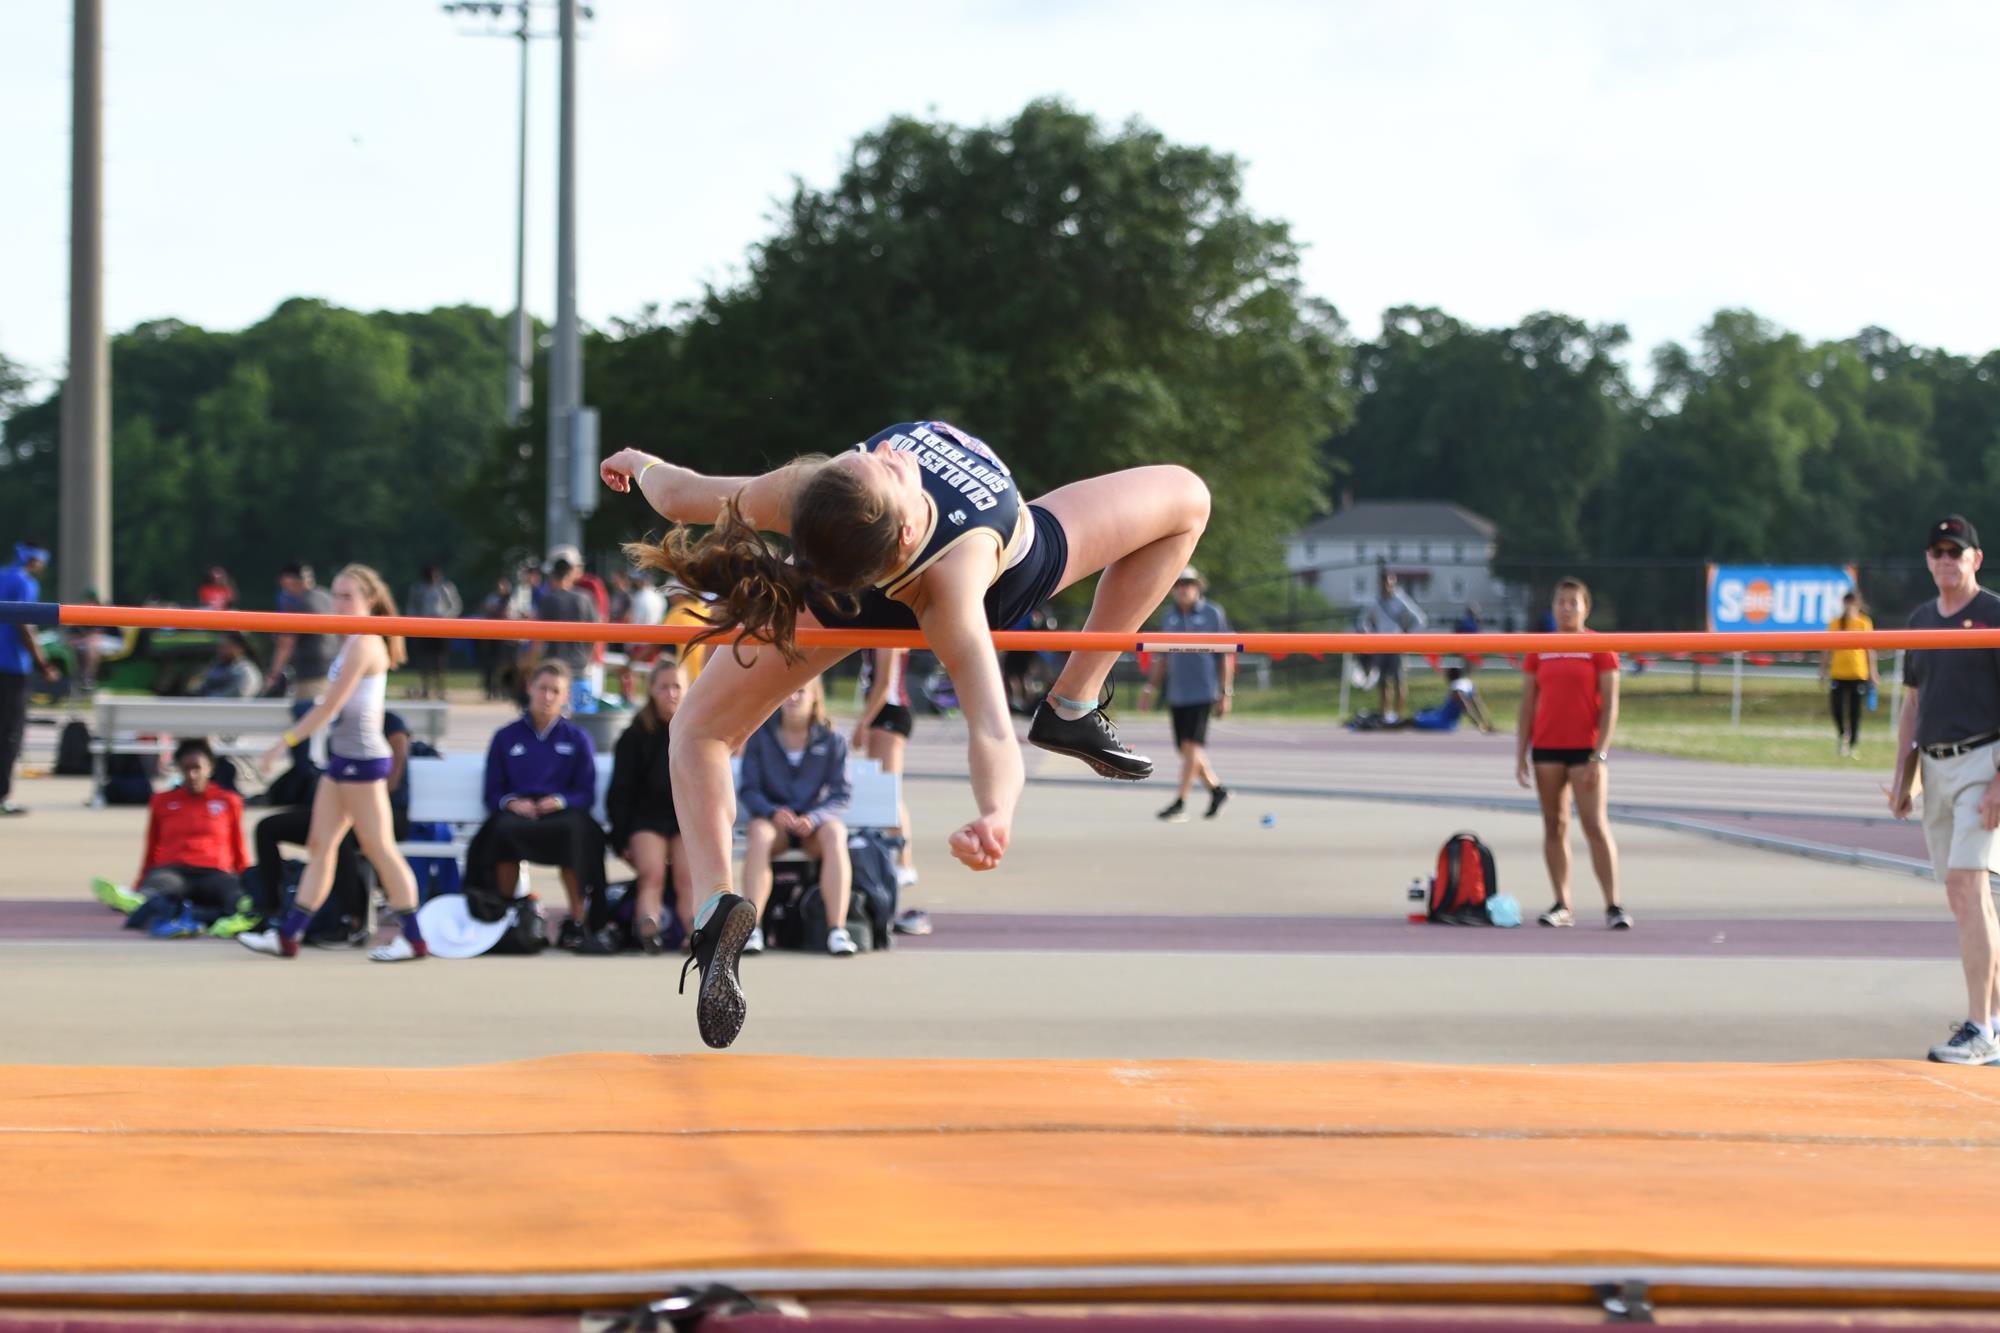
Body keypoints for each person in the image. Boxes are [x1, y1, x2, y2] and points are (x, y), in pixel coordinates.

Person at [602, 417, 1208, 1047]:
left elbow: (680, 494)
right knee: (1187, 497)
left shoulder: (813, 489)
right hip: (982, 570)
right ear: (912, 525)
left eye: (874, 457)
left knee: (697, 730)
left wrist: (636, 460)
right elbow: (993, 730)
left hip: (840, 584)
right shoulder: (952, 588)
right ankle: (1073, 703)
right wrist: (996, 813)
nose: (888, 450)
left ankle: (712, 905)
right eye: (887, 466)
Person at [238, 565, 428, 962]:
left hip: (363, 761)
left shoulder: (364, 643)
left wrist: (282, 745)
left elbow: (330, 706)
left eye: (348, 597)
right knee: (320, 846)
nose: (338, 604)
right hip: (343, 761)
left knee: (379, 848)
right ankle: (288, 936)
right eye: (336, 595)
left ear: (369, 601)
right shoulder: (350, 639)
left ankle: (413, 937)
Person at [1886, 515, 2000, 1066]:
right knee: (1965, 897)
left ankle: (1979, 1025)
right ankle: (1995, 1022)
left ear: (1975, 559)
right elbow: (1913, 703)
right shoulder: (1922, 619)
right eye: (1936, 552)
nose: (1945, 560)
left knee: (1967, 885)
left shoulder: (1994, 615)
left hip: (1985, 758)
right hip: (1935, 766)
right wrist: (1902, 776)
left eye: (1955, 552)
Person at [465, 658, 608, 951]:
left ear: (566, 696)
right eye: (542, 688)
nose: (548, 696)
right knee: (501, 830)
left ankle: (578, 921)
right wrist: (511, 802)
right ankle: (505, 916)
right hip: (520, 813)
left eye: (555, 691)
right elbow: (492, 792)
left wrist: (559, 801)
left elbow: (585, 792)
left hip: (559, 814)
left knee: (576, 832)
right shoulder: (506, 737)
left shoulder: (577, 738)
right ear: (530, 688)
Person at [1514, 577, 1629, 931]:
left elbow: (1610, 705)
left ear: (1585, 609)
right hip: (1547, 747)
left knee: (1594, 825)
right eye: (1560, 602)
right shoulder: (1540, 647)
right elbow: (1528, 702)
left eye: (1572, 602)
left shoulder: (1600, 646)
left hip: (1585, 750)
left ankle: (1613, 904)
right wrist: (1520, 753)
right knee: (1554, 825)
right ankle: (1562, 903)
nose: (1565, 608)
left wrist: (1600, 754)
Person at [249, 705, 413, 942]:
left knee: (358, 842)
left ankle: (354, 918)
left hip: (385, 810)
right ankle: (276, 917)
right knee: (275, 830)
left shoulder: (381, 727)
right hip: (347, 803)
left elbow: (391, 776)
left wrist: (283, 743)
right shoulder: (342, 728)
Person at [88, 738, 255, 938]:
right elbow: (151, 846)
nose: (192, 775)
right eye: (186, 769)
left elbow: (238, 845)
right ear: (179, 770)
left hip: (214, 871)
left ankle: (242, 916)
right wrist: (141, 880)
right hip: (173, 870)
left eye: (197, 768)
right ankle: (136, 900)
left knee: (233, 894)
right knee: (160, 888)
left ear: (210, 768)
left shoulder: (229, 801)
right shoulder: (162, 801)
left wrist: (247, 879)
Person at [738, 677, 857, 957]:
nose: (792, 698)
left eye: (800, 691)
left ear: (815, 696)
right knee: (758, 833)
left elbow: (841, 794)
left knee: (835, 834)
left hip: (811, 829)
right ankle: (753, 928)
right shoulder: (760, 735)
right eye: (788, 691)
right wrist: (771, 811)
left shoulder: (832, 739)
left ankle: (837, 929)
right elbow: (749, 789)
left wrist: (814, 818)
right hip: (775, 824)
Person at [606, 657, 690, 953]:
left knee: (687, 876)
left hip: (684, 820)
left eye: (677, 686)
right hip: (647, 818)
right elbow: (620, 792)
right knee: (652, 872)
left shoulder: (695, 734)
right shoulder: (635, 736)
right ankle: (649, 927)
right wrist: (621, 836)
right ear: (652, 689)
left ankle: (694, 935)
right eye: (664, 686)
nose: (671, 693)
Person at [1138, 566, 1233, 822]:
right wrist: (1150, 688)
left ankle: (1180, 801)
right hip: (1178, 692)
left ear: (1198, 587)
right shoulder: (1169, 617)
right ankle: (1216, 789)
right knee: (1186, 751)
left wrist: (1226, 692)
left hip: (1203, 691)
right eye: (1179, 584)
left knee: (1192, 747)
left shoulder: (1213, 613)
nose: (1184, 589)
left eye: (1189, 584)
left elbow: (1225, 656)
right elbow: (1162, 657)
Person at [852, 647, 919, 888]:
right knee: (881, 792)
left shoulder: (890, 638)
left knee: (890, 792)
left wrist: (863, 723)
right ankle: (890, 858)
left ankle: (904, 862)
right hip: (881, 714)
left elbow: (883, 683)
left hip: (890, 711)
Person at [0, 543, 59, 815]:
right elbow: (26, 627)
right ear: (35, 560)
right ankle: (2, 796)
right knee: (9, 734)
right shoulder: (24, 583)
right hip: (12, 669)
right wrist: (43, 664)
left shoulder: (2, 575)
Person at [1357, 569, 1426, 721]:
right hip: (1381, 645)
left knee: (1399, 681)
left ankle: (1398, 716)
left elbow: (1420, 619)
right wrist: (1370, 635)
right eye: (1385, 582)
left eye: (1390, 582)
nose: (1388, 585)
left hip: (1397, 645)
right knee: (1383, 682)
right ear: (1380, 583)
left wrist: (1407, 635)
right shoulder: (1375, 602)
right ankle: (1385, 715)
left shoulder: (1401, 600)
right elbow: (1362, 621)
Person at [265, 563, 337, 701]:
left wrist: (274, 675)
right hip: (332, 668)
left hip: (310, 673)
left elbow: (286, 643)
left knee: (309, 715)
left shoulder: (300, 603)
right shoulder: (325, 596)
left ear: (289, 580)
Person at [1820, 589, 1878, 759]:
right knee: (1836, 708)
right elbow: (1826, 650)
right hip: (1838, 672)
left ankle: (1852, 743)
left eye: (1852, 602)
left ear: (1858, 604)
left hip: (1857, 673)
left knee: (1855, 711)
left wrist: (1872, 672)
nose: (1849, 606)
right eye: (1847, 602)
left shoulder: (1863, 623)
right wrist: (1822, 671)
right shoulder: (1835, 623)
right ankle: (1842, 734)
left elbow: (1869, 650)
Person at [536, 557, 602, 685]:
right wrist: (588, 657)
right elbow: (596, 634)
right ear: (570, 574)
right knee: (580, 704)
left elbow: (537, 640)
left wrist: (532, 662)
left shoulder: (547, 600)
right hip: (580, 665)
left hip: (553, 666)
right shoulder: (585, 598)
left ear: (553, 576)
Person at [404, 565, 462, 701]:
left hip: (442, 626)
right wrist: (416, 622)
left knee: (440, 659)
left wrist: (446, 618)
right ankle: (425, 688)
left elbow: (455, 605)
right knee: (424, 658)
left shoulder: (446, 588)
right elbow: (412, 607)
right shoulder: (418, 589)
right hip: (424, 626)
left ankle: (440, 688)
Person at [194, 632, 265, 699]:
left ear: (239, 648)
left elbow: (239, 695)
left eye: (226, 646)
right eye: (221, 646)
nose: (220, 649)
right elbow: (202, 687)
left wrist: (210, 698)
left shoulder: (246, 671)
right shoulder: (218, 666)